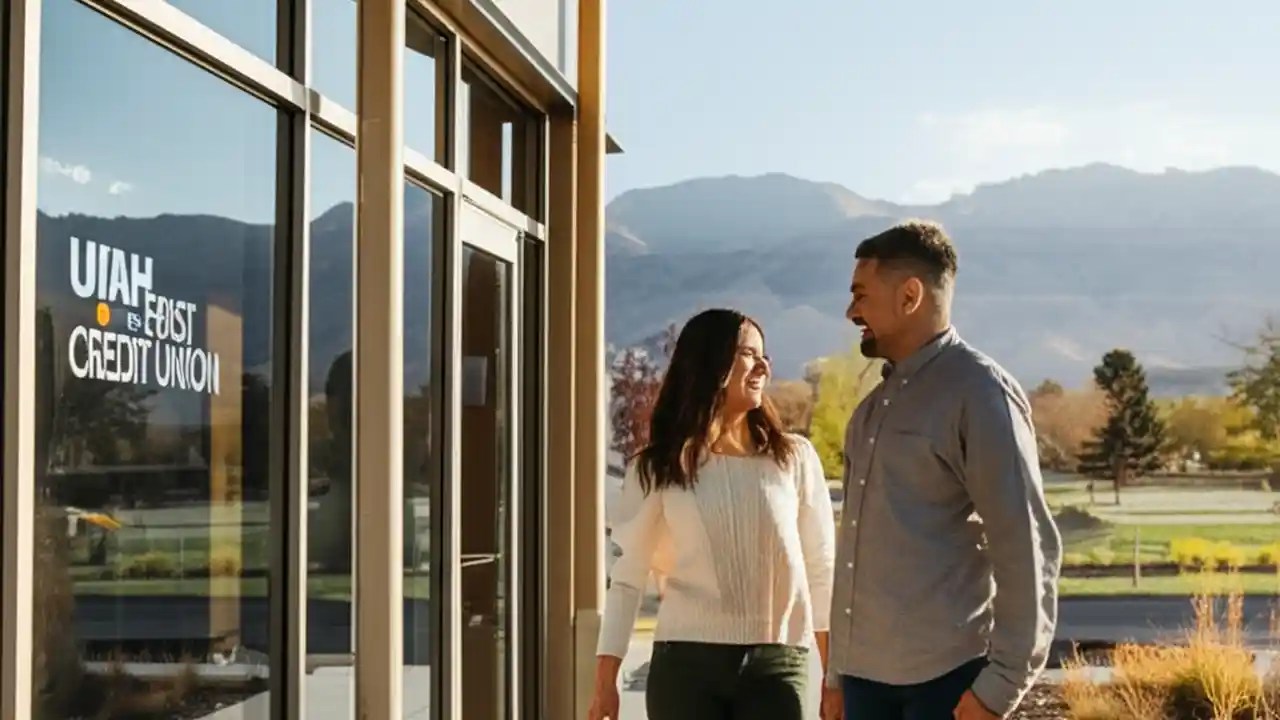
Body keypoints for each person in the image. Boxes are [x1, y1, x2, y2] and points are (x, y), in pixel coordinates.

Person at [820, 221, 1063, 720]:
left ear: (910, 295)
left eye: (860, 295)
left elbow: (1026, 546)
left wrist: (999, 688)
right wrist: (837, 676)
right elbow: (855, 556)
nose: (851, 312)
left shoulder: (980, 393)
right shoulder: (869, 412)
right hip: (865, 687)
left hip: (948, 686)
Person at [588, 308, 836, 720]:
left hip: (777, 666)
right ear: (710, 363)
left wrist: (833, 678)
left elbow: (821, 570)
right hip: (687, 668)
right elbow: (628, 580)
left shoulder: (793, 459)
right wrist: (604, 685)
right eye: (748, 354)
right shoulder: (659, 467)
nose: (763, 366)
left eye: (764, 356)